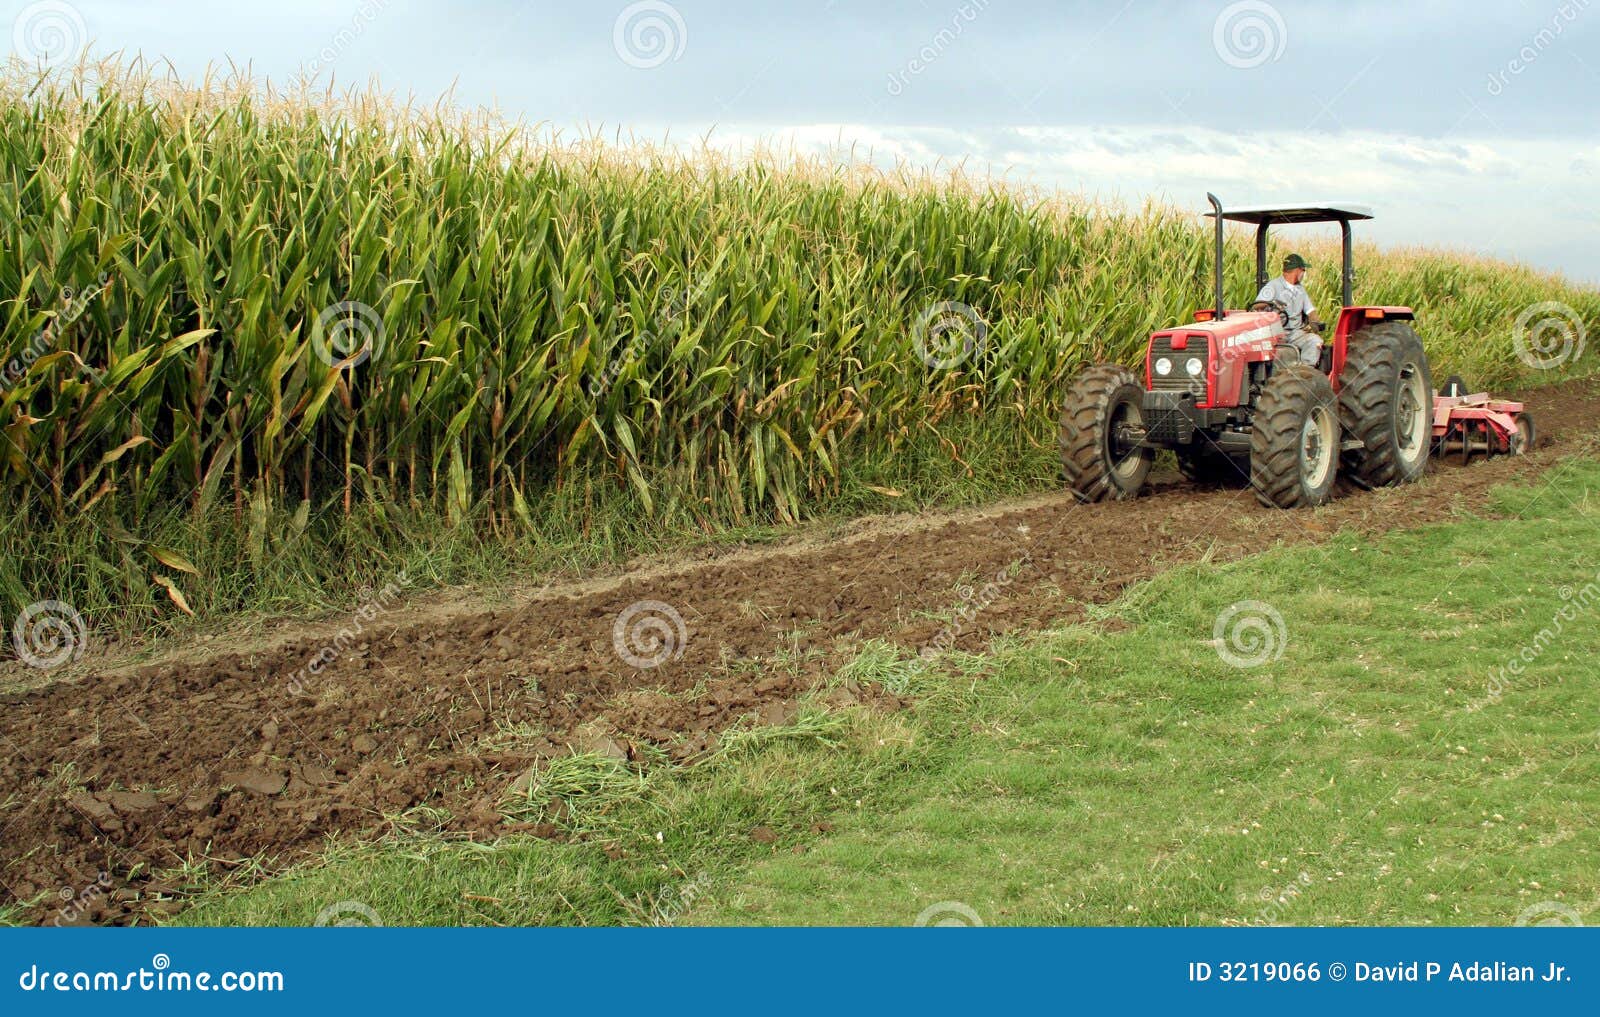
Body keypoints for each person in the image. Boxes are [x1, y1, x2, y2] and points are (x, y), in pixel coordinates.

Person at [1254, 253, 1325, 366]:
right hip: (1276, 332)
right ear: (1297, 270)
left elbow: (1310, 311)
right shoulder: (1273, 286)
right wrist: (1273, 303)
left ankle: (1305, 371)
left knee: (1314, 341)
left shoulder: (1300, 289)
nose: (1303, 274)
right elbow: (1256, 306)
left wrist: (1315, 322)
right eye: (1303, 270)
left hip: (1296, 333)